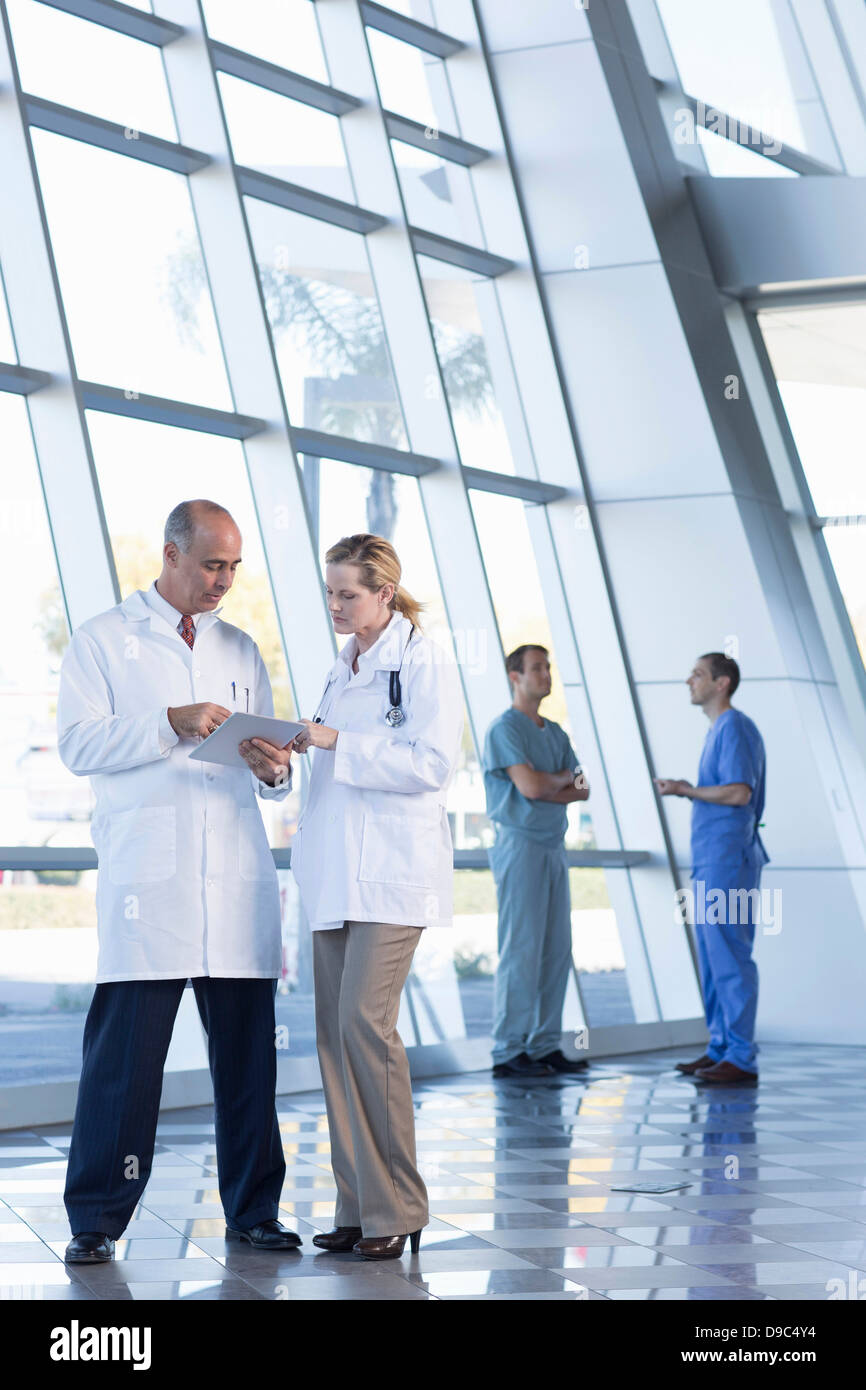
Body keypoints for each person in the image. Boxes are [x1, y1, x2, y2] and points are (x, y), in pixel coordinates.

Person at [58, 500, 300, 1263]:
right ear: (170, 554)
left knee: (247, 1065)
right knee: (124, 1069)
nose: (224, 581)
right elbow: (77, 744)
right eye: (211, 565)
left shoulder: (239, 645)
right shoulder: (103, 640)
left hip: (233, 883)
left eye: (234, 567)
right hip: (149, 886)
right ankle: (96, 1219)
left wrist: (274, 770)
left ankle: (254, 1211)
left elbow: (266, 766)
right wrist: (170, 718)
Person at [290, 534, 463, 1260]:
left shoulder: (423, 661)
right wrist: (289, 755)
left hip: (393, 874)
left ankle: (399, 1205)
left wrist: (335, 743)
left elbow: (431, 764)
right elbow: (332, 764)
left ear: (385, 592)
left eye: (348, 594)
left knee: (366, 1022)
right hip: (335, 872)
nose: (335, 605)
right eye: (330, 592)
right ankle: (358, 1206)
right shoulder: (343, 667)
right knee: (334, 1037)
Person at [655, 652, 769, 1086]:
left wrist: (686, 789)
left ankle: (740, 1056)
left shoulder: (735, 727)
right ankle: (721, 1047)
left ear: (722, 683)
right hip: (712, 859)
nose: (689, 680)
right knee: (712, 957)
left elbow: (740, 793)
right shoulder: (717, 731)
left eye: (698, 674)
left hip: (728, 858)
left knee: (730, 957)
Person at [482, 644, 590, 1079]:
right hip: (520, 847)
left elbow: (582, 787)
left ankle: (545, 1044)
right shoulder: (504, 729)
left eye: (548, 667)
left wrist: (554, 782)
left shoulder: (557, 733)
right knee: (522, 949)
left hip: (553, 847)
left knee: (555, 949)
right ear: (515, 675)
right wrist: (555, 781)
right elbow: (529, 788)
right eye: (538, 668)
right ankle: (509, 1051)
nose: (546, 675)